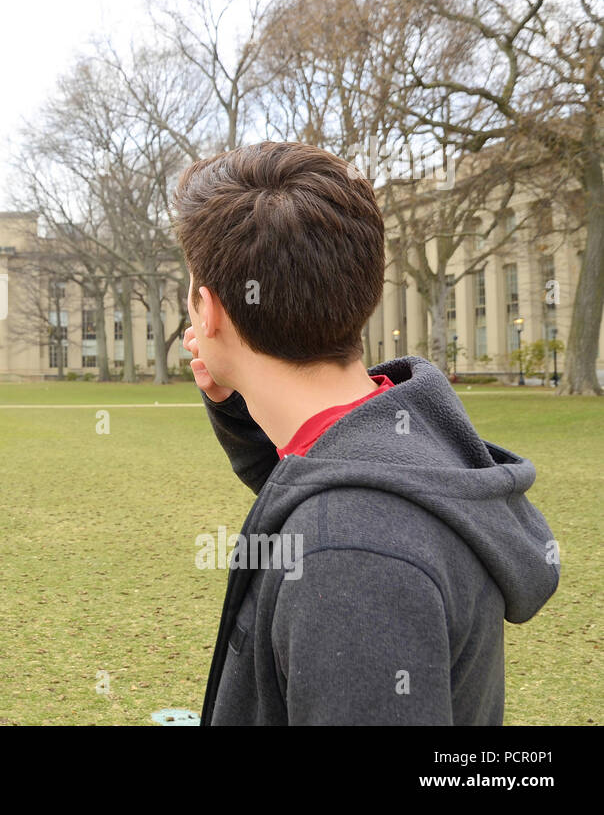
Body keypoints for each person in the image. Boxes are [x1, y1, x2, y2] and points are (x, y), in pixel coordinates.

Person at [176, 141, 559, 725]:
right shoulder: (408, 435)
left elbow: (341, 515)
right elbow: (314, 473)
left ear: (209, 312)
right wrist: (233, 399)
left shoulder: (348, 559)